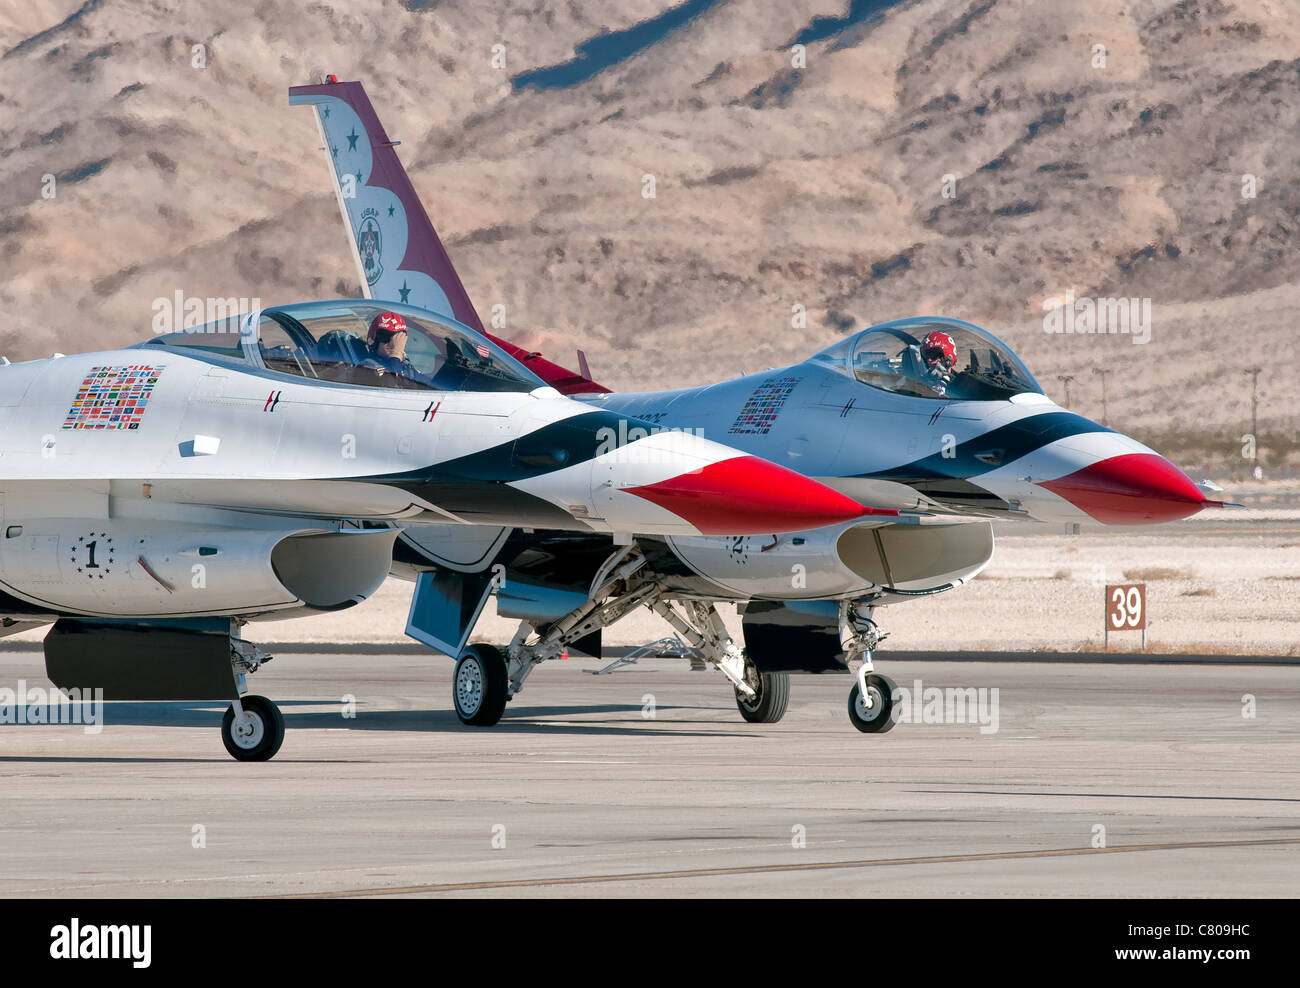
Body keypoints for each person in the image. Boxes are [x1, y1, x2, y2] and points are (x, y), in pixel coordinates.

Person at [363, 310, 416, 378]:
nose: (392, 343)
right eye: (384, 336)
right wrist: (395, 354)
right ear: (374, 341)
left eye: (397, 338)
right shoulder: (368, 367)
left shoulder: (408, 369)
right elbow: (394, 385)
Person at [918, 329, 958, 396]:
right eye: (926, 355)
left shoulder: (962, 384)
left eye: (933, 355)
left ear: (948, 357)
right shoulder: (920, 385)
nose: (929, 360)